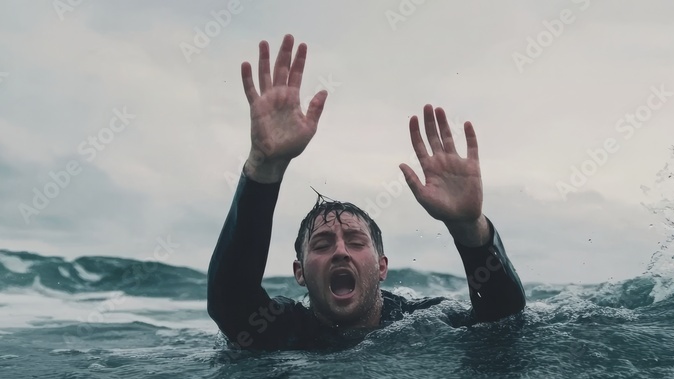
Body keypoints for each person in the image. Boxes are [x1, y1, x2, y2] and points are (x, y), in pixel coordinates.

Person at [208, 34, 525, 351]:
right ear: (299, 272)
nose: (341, 251)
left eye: (356, 242)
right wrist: (265, 166)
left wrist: (470, 228)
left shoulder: (423, 322)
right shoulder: (284, 329)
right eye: (321, 244)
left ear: (382, 267)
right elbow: (230, 302)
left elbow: (502, 322)